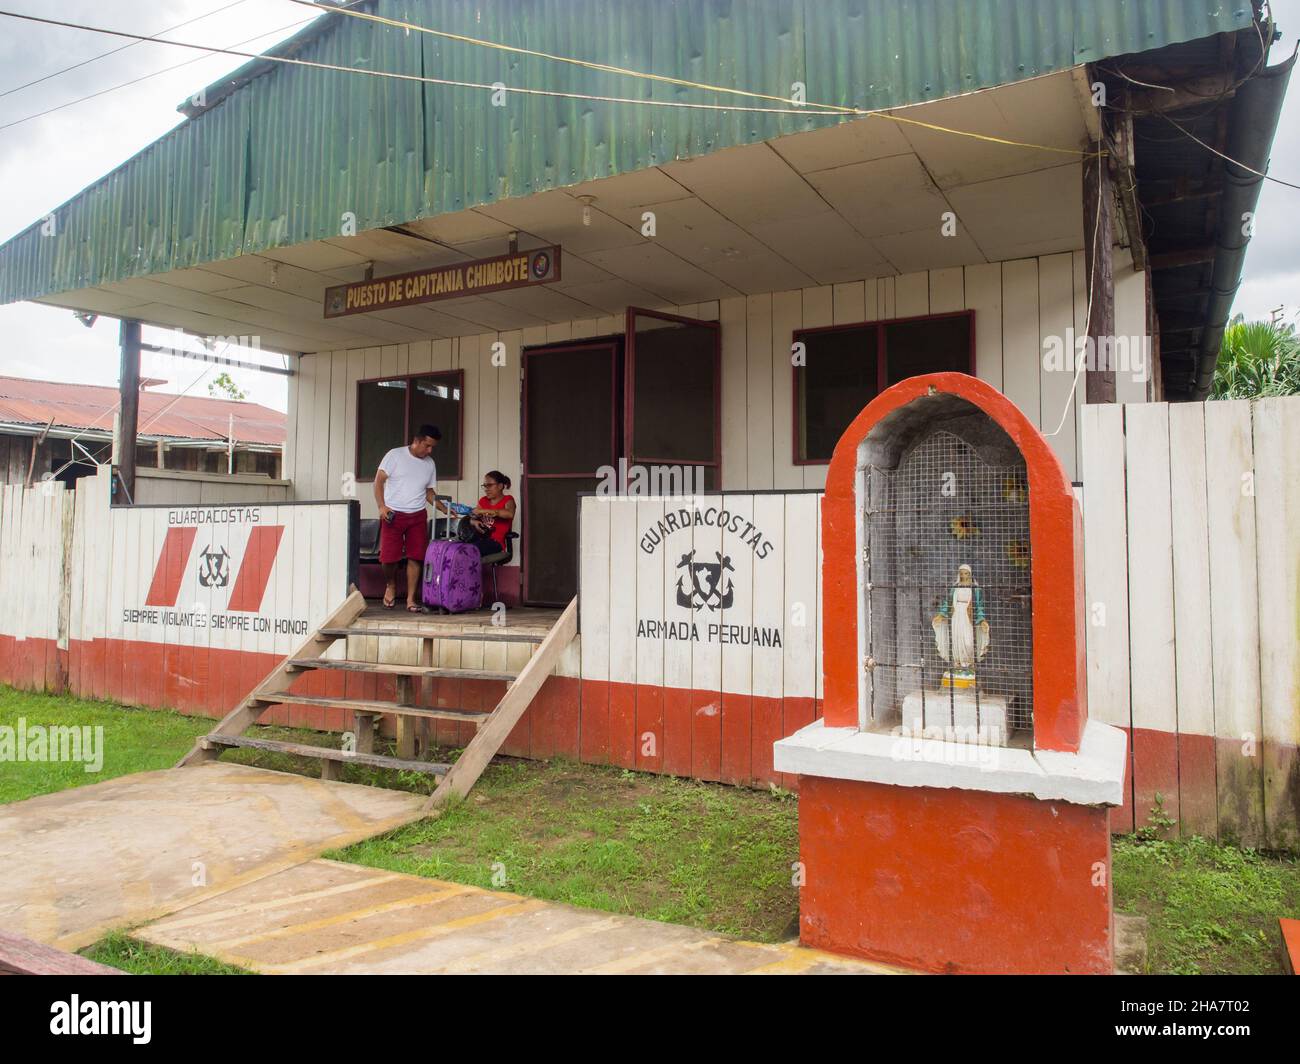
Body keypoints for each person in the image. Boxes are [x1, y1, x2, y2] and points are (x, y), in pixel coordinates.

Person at [374, 424, 448, 611]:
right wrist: (382, 506)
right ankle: (391, 585)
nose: (430, 450)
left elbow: (429, 492)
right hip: (393, 514)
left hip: (417, 515)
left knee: (416, 557)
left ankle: (410, 599)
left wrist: (444, 508)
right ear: (417, 441)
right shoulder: (395, 455)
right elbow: (378, 481)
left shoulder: (430, 464)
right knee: (388, 559)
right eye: (427, 446)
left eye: (432, 447)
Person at [463, 471, 516, 559]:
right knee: (458, 548)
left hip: (496, 542)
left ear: (500, 486)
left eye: (490, 485)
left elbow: (509, 514)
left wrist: (483, 511)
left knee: (469, 551)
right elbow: (473, 517)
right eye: (485, 486)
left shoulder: (508, 500)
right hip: (478, 538)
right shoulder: (483, 500)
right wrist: (474, 522)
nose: (486, 489)